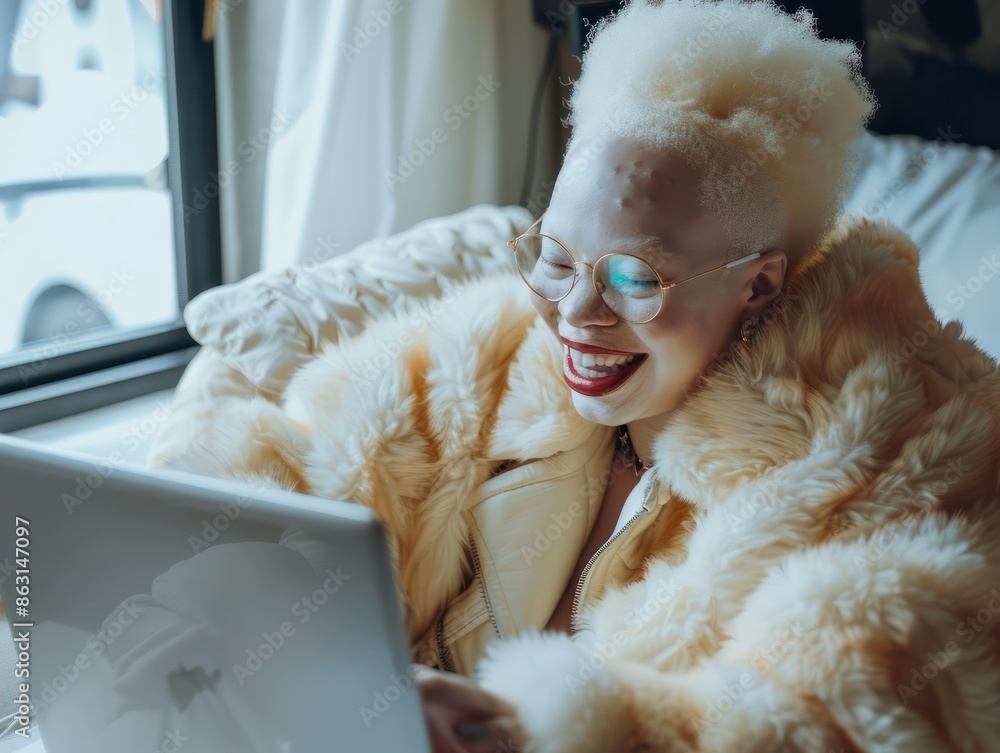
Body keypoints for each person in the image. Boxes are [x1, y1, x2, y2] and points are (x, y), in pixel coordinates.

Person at [150, 1, 1000, 750]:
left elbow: (853, 707)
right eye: (555, 256)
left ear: (760, 284)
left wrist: (532, 732)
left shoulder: (901, 443)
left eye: (635, 278)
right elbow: (285, 492)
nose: (574, 314)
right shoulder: (482, 360)